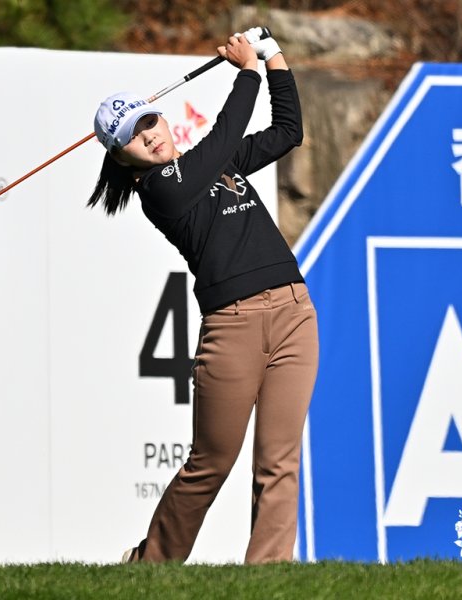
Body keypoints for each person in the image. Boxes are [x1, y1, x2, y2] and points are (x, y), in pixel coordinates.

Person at [88, 28, 319, 564]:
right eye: (131, 136)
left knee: (279, 459)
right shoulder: (161, 190)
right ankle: (153, 564)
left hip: (293, 313)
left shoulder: (215, 165)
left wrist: (274, 56)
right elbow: (222, 137)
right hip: (233, 326)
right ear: (121, 158)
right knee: (212, 460)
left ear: (163, 119)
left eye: (149, 121)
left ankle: (269, 574)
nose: (147, 136)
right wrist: (246, 72)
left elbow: (287, 132)